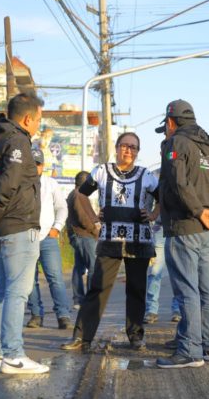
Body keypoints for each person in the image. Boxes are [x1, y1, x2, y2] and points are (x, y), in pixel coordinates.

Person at [61, 132, 159, 352]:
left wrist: (152, 216)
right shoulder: (102, 171)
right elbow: (82, 194)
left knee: (136, 290)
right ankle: (81, 338)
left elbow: (163, 197)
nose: (129, 150)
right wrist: (94, 218)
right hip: (109, 240)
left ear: (137, 152)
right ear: (116, 148)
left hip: (139, 241)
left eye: (134, 147)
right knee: (98, 288)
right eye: (125, 146)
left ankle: (135, 337)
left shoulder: (147, 175)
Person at [0, 92, 48, 374]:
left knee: (1, 291)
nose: (38, 126)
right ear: (28, 118)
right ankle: (14, 355)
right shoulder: (17, 140)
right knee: (18, 292)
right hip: (17, 224)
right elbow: (10, 182)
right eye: (38, 120)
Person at [153, 99, 209, 369]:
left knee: (187, 290)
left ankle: (189, 351)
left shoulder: (176, 143)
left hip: (185, 226)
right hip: (208, 229)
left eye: (166, 127)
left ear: (171, 122)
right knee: (206, 288)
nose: (166, 132)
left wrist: (199, 212)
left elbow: (177, 182)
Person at [25, 148, 73, 330]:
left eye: (37, 164)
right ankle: (36, 315)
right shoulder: (21, 184)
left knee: (55, 277)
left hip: (47, 237)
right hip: (27, 237)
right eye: (31, 164)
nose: (34, 167)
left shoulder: (51, 183)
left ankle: (63, 315)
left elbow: (62, 207)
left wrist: (56, 228)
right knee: (30, 280)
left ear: (42, 166)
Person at [66, 170, 99, 309]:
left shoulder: (74, 194)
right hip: (83, 235)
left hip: (78, 235)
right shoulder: (79, 194)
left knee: (79, 268)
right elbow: (83, 218)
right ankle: (90, 301)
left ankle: (78, 299)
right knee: (93, 267)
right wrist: (95, 229)